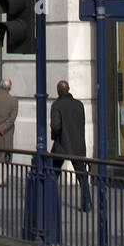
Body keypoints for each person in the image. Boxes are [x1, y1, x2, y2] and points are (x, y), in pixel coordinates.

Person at [50, 80, 91, 211]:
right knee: (82, 175)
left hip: (62, 143)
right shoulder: (79, 105)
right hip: (77, 143)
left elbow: (56, 126)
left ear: (58, 91)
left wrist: (55, 135)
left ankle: (49, 199)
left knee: (52, 172)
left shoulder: (57, 105)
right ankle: (87, 203)